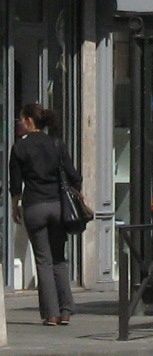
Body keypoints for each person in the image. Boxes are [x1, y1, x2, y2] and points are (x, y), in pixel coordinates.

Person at [8, 103, 80, 326]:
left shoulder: (20, 147)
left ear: (30, 121)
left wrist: (15, 206)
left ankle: (51, 314)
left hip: (34, 206)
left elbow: (15, 184)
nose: (20, 123)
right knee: (59, 258)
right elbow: (74, 176)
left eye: (21, 119)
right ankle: (66, 310)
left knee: (43, 260)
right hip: (58, 206)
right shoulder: (56, 143)